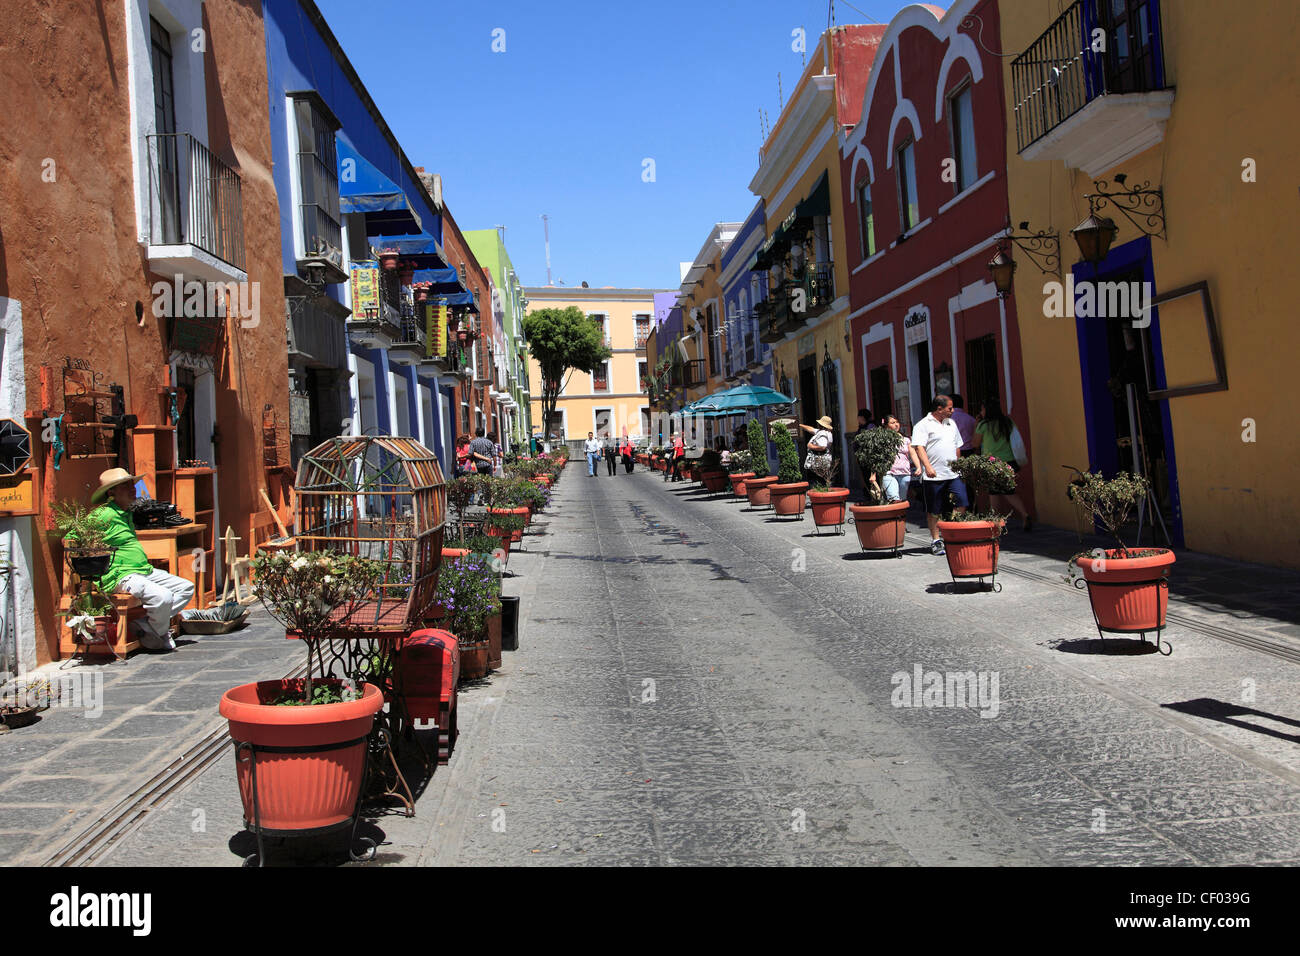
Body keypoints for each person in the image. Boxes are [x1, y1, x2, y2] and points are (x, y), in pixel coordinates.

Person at [86, 468, 195, 652]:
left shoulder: (126, 512)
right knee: (163, 597)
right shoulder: (104, 514)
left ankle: (148, 626)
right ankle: (157, 630)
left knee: (186, 588)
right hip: (121, 574)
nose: (132, 488)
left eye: (132, 484)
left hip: (143, 570)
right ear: (111, 492)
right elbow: (73, 536)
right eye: (126, 485)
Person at [911, 394, 968, 555]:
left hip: (953, 474)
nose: (953, 410)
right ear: (939, 409)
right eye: (950, 408)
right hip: (934, 476)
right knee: (934, 510)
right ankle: (936, 540)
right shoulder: (923, 425)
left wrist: (960, 465)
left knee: (962, 502)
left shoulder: (952, 423)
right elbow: (919, 447)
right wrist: (927, 467)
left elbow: (957, 445)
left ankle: (952, 533)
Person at [971, 396, 1034, 531]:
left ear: (987, 410)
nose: (981, 412)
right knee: (1006, 491)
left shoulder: (984, 425)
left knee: (997, 492)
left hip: (992, 463)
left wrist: (976, 425)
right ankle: (1023, 515)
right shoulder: (1007, 422)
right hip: (1010, 462)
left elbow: (975, 443)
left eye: (982, 409)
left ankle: (997, 521)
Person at [874, 415, 919, 503]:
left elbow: (912, 453)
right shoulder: (882, 439)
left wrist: (918, 467)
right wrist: (873, 474)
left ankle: (900, 517)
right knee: (894, 500)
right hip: (889, 473)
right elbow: (877, 457)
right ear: (886, 425)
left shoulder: (906, 439)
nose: (896, 425)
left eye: (897, 422)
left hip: (904, 473)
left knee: (902, 501)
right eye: (892, 423)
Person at [799, 415, 835, 486]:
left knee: (820, 480)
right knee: (822, 479)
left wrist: (811, 446)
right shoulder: (823, 432)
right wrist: (800, 425)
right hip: (821, 461)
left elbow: (823, 447)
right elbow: (811, 429)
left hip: (820, 461)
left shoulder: (823, 434)